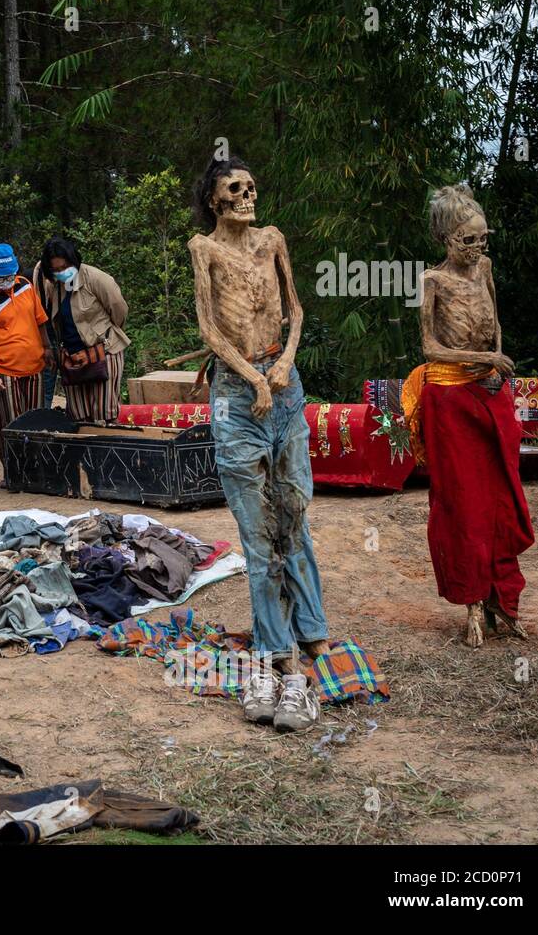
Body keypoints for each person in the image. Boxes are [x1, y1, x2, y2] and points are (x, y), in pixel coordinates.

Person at [188, 155, 327, 734]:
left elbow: (294, 308)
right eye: (235, 192)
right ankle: (279, 662)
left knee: (293, 518)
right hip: (235, 394)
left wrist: (285, 363)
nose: (247, 197)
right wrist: (249, 377)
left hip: (284, 383)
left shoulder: (272, 239)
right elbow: (208, 327)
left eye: (250, 187)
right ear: (216, 203)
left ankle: (305, 650)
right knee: (257, 533)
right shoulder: (204, 248)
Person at [403, 183, 533, 648]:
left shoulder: (486, 268)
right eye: (467, 240)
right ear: (444, 238)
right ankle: (472, 601)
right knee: (464, 500)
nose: (477, 248)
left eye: (482, 238)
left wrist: (496, 359)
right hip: (451, 395)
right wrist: (483, 362)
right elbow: (429, 347)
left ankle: (503, 598)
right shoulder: (430, 281)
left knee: (503, 491)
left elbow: (495, 320)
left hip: (491, 389)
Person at [32, 237, 131, 424]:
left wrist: (104, 334)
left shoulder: (96, 279)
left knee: (104, 413)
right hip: (72, 358)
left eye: (64, 267)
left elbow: (119, 309)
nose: (62, 272)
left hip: (104, 352)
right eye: (56, 270)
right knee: (78, 416)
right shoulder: (53, 286)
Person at [0, 243, 52, 485]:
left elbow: (40, 320)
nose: (6, 281)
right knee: (7, 422)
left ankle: (32, 470)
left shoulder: (25, 286)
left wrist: (48, 348)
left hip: (34, 366)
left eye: (9, 275)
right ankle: (12, 471)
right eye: (0, 277)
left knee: (34, 422)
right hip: (4, 370)